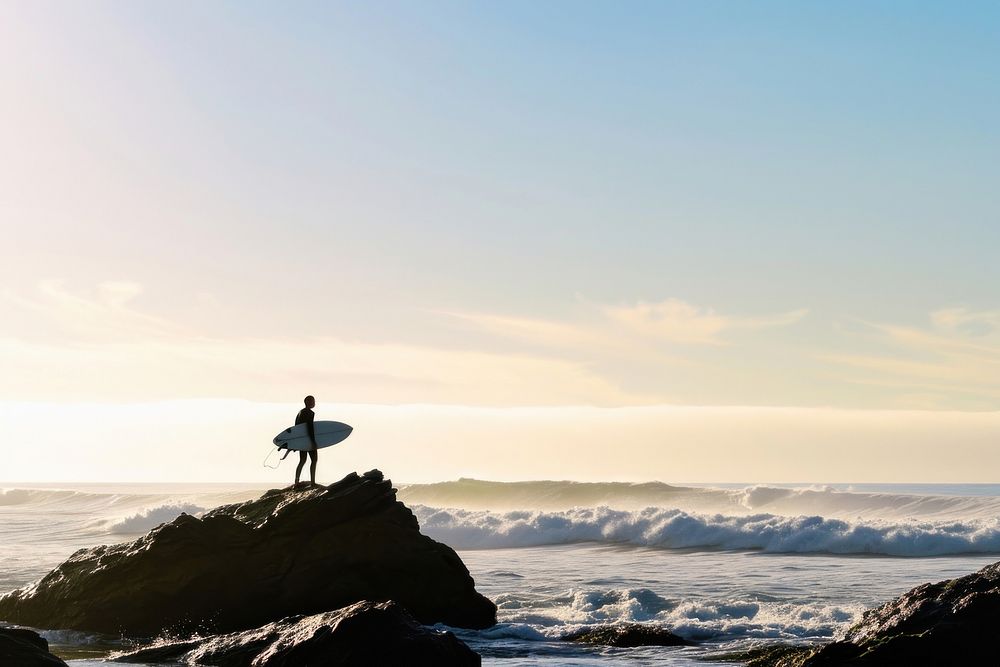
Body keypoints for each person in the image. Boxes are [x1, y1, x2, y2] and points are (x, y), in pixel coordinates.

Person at [295, 395, 319, 487]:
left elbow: (296, 428)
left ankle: (296, 481)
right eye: (313, 401)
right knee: (314, 460)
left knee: (302, 460)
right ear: (308, 402)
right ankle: (313, 482)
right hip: (308, 440)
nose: (314, 403)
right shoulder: (310, 413)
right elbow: (310, 428)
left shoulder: (300, 412)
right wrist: (313, 441)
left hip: (301, 440)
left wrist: (297, 442)